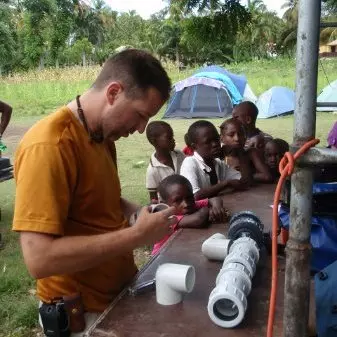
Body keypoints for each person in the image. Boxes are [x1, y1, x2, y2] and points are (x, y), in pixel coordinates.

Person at [12, 49, 177, 336]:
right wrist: (137, 236)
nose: (140, 129)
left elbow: (100, 199)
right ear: (113, 92)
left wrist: (136, 213)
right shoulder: (49, 146)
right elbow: (39, 259)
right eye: (140, 115)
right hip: (82, 318)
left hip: (115, 300)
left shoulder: (101, 137)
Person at [151, 174, 230, 255]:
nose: (186, 203)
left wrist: (217, 207)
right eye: (177, 200)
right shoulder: (169, 218)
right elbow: (199, 219)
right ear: (165, 204)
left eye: (189, 197)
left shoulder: (190, 204)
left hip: (179, 250)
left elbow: (215, 199)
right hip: (161, 257)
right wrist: (210, 210)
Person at [180, 120, 245, 200]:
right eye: (208, 142)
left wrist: (240, 152)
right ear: (194, 147)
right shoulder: (190, 163)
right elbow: (194, 196)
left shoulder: (218, 163)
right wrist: (226, 183)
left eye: (216, 139)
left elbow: (242, 180)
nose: (215, 144)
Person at [220, 118, 272, 183]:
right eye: (231, 135)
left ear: (246, 136)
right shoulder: (219, 155)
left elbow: (266, 176)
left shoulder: (251, 153)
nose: (237, 138)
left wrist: (243, 175)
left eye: (241, 134)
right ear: (222, 138)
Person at [145, 121, 185, 201]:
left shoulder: (180, 155)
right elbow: (153, 199)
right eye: (169, 137)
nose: (173, 140)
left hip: (187, 199)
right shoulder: (153, 170)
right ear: (154, 141)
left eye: (172, 136)